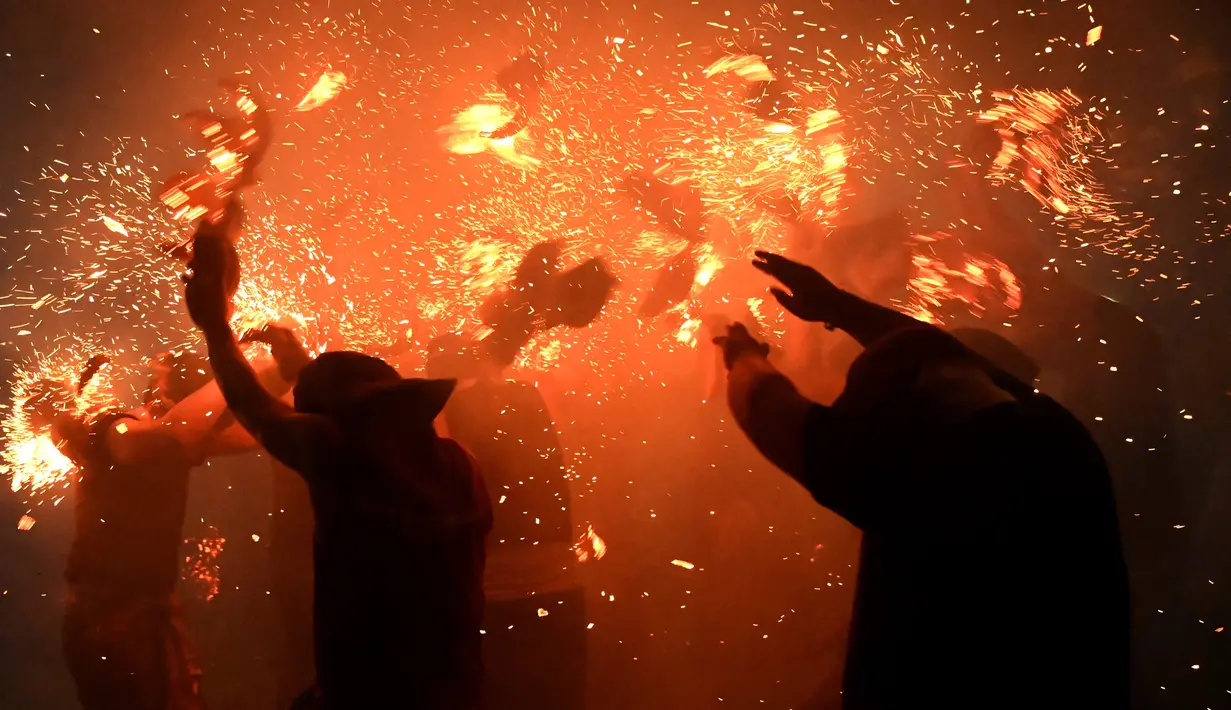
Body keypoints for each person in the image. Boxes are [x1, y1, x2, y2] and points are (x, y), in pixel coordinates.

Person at [715, 250, 1131, 708]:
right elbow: (939, 356)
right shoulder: (1053, 429)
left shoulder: (923, 470)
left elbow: (767, 409)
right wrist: (838, 306)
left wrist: (741, 355)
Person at [183, 222, 492, 710]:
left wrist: (216, 325)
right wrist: (305, 373)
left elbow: (257, 408)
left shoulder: (348, 462)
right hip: (457, 691)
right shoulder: (458, 467)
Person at [45, 349, 267, 710]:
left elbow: (266, 431)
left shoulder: (174, 435)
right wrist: (233, 370)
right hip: (110, 620)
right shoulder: (114, 425)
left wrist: (292, 371)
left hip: (148, 612)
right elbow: (159, 438)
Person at [425, 334, 585, 710]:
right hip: (559, 581)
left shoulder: (441, 412)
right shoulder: (528, 396)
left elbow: (443, 490)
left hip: (491, 588)